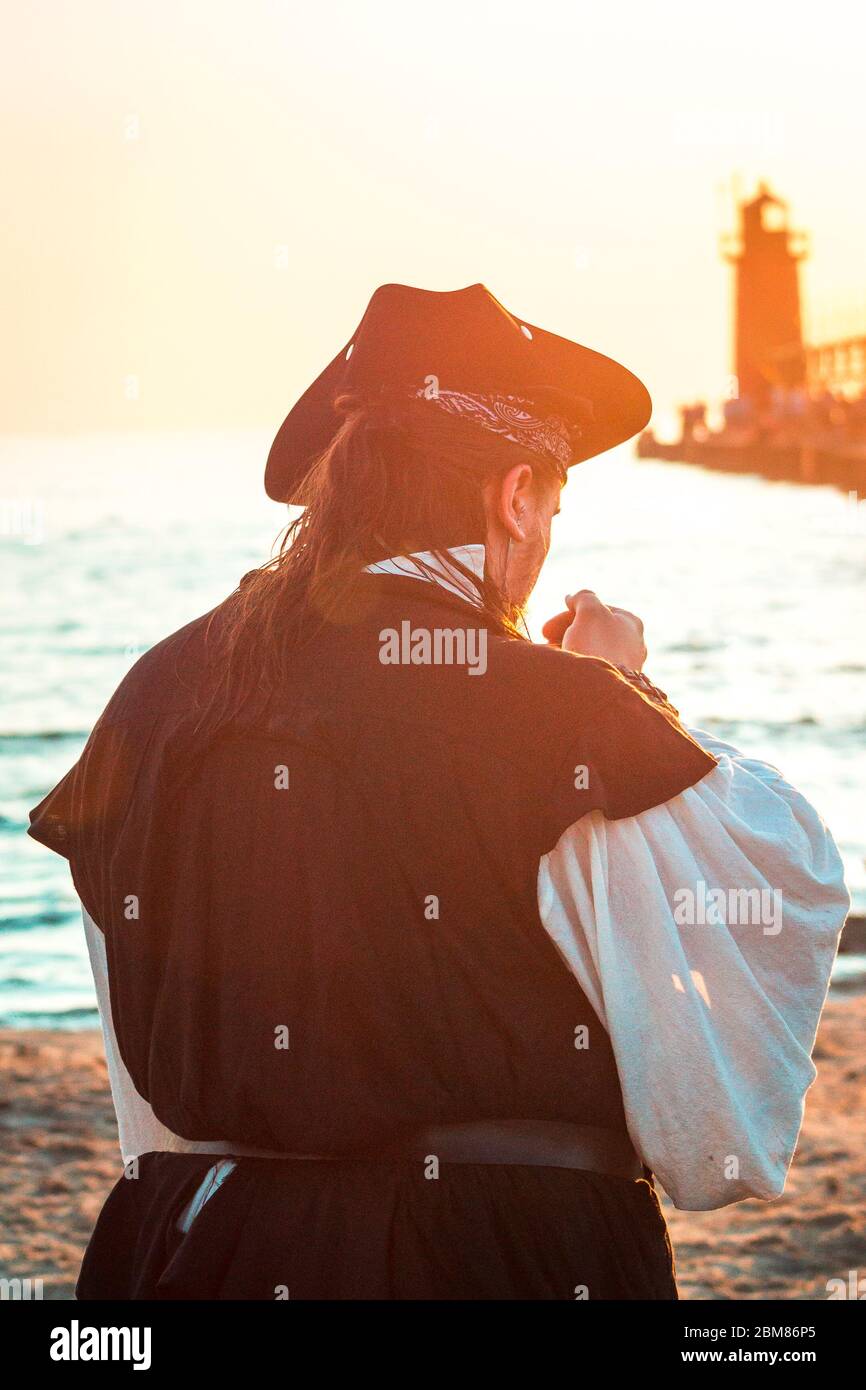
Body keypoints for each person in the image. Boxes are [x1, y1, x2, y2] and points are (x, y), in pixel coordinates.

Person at [29, 283, 848, 1300]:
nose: (544, 533)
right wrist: (631, 694)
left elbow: (141, 1085)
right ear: (513, 497)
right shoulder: (558, 714)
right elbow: (780, 919)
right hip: (498, 1254)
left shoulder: (154, 691)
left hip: (199, 1244)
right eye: (549, 504)